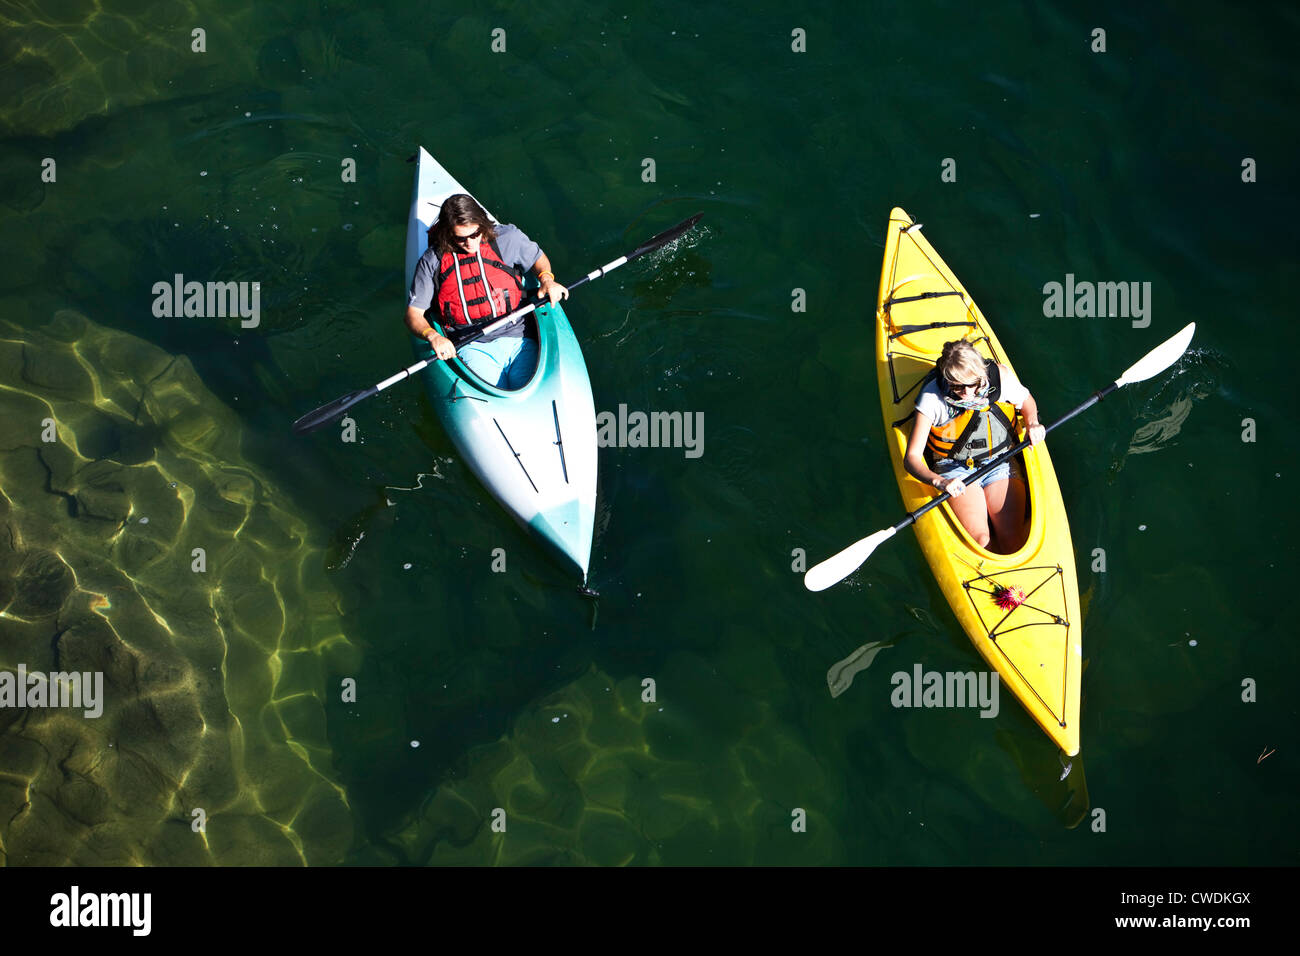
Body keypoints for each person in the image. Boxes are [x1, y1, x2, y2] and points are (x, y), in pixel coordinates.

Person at [405, 194, 568, 389]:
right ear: (448, 234)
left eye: (475, 234)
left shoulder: (508, 238)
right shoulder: (431, 261)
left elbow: (538, 259)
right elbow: (413, 314)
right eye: (461, 238)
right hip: (471, 345)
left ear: (482, 224)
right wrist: (433, 336)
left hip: (519, 335)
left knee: (531, 386)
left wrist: (547, 279)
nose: (470, 243)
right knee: (496, 391)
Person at [903, 340, 1047, 553]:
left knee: (1012, 540)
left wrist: (1033, 422)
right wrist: (940, 481)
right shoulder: (932, 399)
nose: (967, 392)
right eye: (957, 386)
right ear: (946, 379)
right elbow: (912, 458)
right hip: (955, 469)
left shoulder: (999, 377)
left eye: (973, 384)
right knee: (982, 541)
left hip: (999, 461)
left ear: (981, 373)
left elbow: (1027, 402)